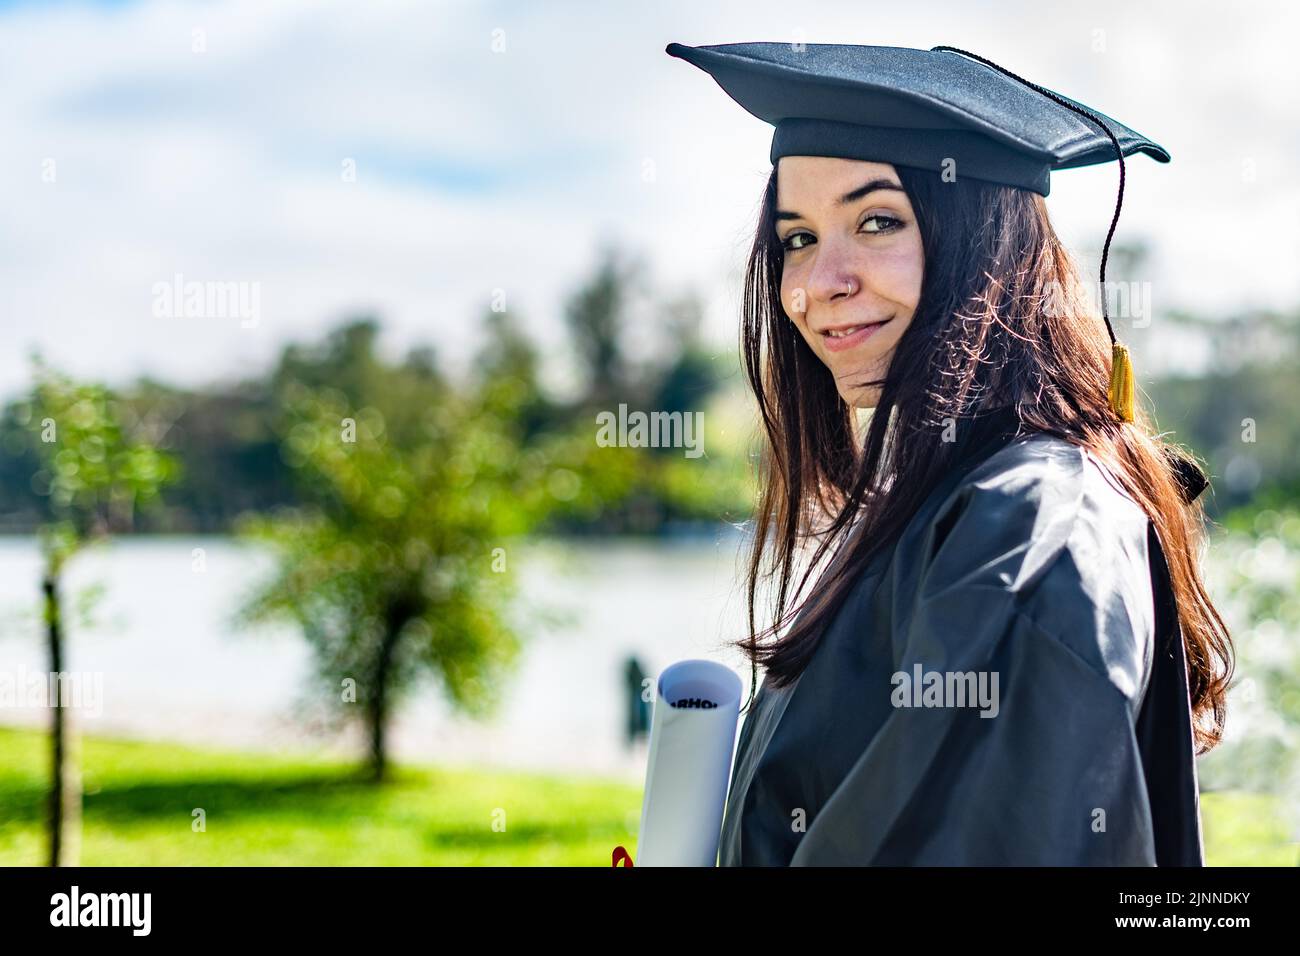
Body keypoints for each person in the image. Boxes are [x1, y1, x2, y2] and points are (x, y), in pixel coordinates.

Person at [666, 41, 1234, 865]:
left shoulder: (1033, 525)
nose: (818, 281)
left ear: (986, 243)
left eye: (877, 221)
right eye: (796, 237)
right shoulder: (930, 504)